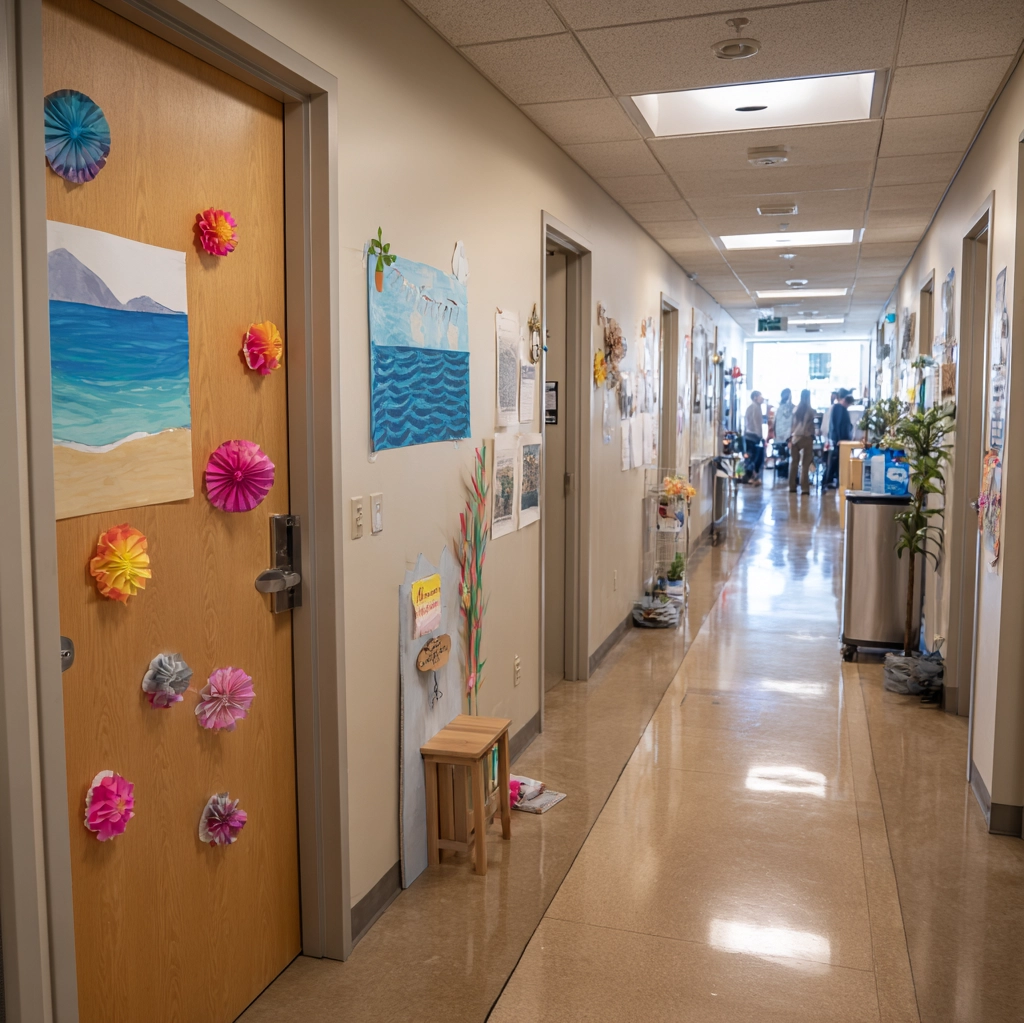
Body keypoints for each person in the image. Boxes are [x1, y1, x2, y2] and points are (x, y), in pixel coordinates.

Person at [825, 388, 855, 489]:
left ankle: (831, 480)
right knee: (836, 461)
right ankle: (830, 480)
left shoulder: (837, 408)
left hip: (838, 440)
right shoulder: (839, 409)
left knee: (836, 461)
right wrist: (839, 439)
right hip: (839, 440)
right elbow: (838, 425)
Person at [788, 389, 815, 494]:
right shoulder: (811, 411)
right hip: (806, 438)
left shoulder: (795, 410)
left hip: (795, 438)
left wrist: (790, 438)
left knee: (794, 463)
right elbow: (811, 427)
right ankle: (804, 488)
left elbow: (791, 426)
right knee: (805, 464)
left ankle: (792, 486)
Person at [743, 390, 765, 485]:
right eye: (760, 396)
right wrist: (760, 436)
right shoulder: (755, 408)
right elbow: (756, 423)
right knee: (753, 457)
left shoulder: (753, 407)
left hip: (749, 435)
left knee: (751, 457)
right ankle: (750, 477)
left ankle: (750, 476)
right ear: (755, 398)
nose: (762, 398)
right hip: (753, 436)